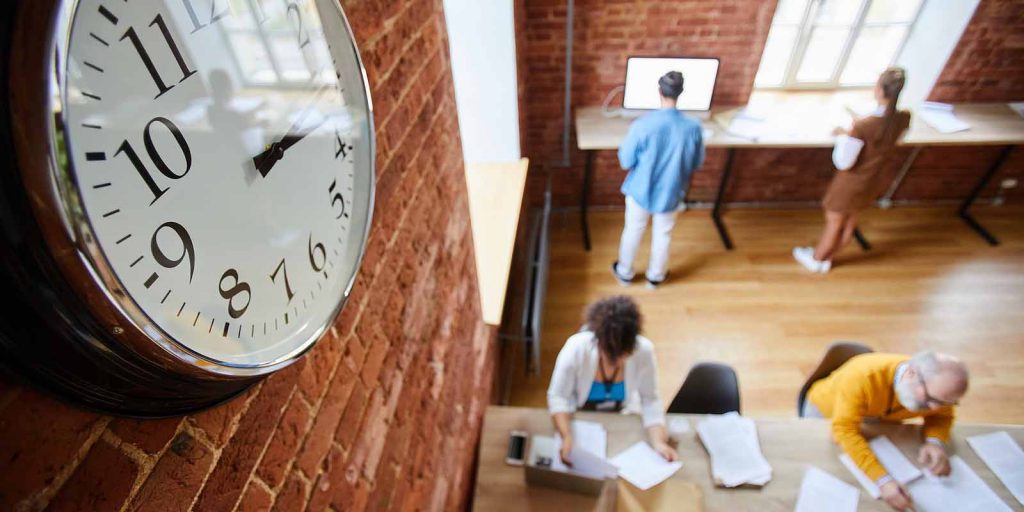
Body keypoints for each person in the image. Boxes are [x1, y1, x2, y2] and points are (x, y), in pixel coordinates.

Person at [804, 351, 969, 511]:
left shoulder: (934, 392)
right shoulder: (863, 377)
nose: (934, 408)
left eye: (946, 402)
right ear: (911, 373)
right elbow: (844, 429)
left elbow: (941, 417)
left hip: (872, 418)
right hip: (824, 411)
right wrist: (882, 480)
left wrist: (934, 442)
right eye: (931, 399)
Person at [793, 68, 911, 273]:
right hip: (874, 180)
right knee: (849, 223)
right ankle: (828, 257)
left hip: (852, 182)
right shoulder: (903, 118)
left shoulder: (863, 127)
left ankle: (817, 258)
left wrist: (844, 136)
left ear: (880, 91)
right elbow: (887, 139)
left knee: (834, 221)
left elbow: (844, 162)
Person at [547, 295, 678, 466]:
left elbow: (650, 399)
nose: (615, 361)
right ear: (598, 341)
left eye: (623, 355)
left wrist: (659, 442)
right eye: (610, 354)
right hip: (581, 420)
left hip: (620, 423)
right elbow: (558, 396)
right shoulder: (576, 349)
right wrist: (567, 436)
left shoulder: (644, 352)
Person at [614, 71, 705, 288]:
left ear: (659, 92)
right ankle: (655, 276)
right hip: (671, 192)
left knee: (633, 229)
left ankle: (625, 273)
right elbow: (696, 163)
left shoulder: (642, 125)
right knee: (663, 234)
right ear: (680, 93)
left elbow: (625, 161)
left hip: (640, 191)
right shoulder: (693, 128)